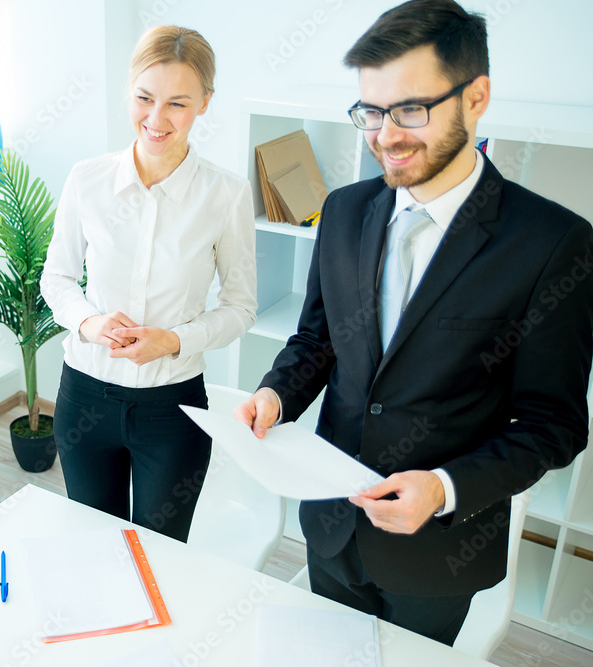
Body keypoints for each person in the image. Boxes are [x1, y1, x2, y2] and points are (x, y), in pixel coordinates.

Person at [234, 0, 592, 646]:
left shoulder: (551, 245)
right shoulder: (342, 212)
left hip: (439, 553)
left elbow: (555, 424)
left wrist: (445, 487)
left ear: (476, 96)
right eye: (371, 111)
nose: (384, 135)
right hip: (331, 526)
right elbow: (318, 340)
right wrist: (275, 393)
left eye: (410, 110)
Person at [40, 26, 257, 543]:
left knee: (161, 557)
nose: (156, 119)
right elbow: (58, 278)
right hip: (84, 401)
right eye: (144, 98)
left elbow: (241, 306)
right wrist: (90, 323)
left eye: (177, 103)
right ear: (128, 92)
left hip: (173, 409)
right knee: (97, 544)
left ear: (205, 103)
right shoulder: (86, 179)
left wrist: (175, 340)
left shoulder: (226, 195)